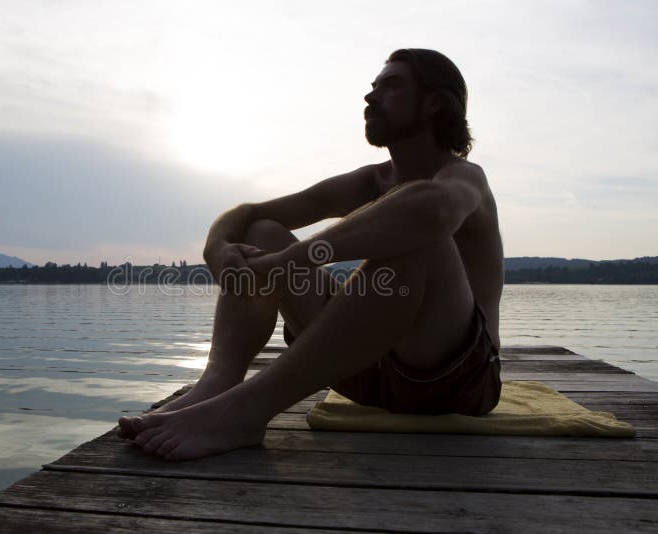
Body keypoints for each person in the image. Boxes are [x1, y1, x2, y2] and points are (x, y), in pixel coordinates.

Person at [118, 48, 504, 461]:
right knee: (259, 232)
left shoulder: (465, 178)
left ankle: (246, 411)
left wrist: (286, 263)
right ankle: (219, 382)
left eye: (390, 86)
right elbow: (249, 214)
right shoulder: (371, 180)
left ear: (434, 103)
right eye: (372, 88)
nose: (369, 98)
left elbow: (433, 210)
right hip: (363, 373)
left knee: (419, 237)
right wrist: (217, 249)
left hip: (454, 380)